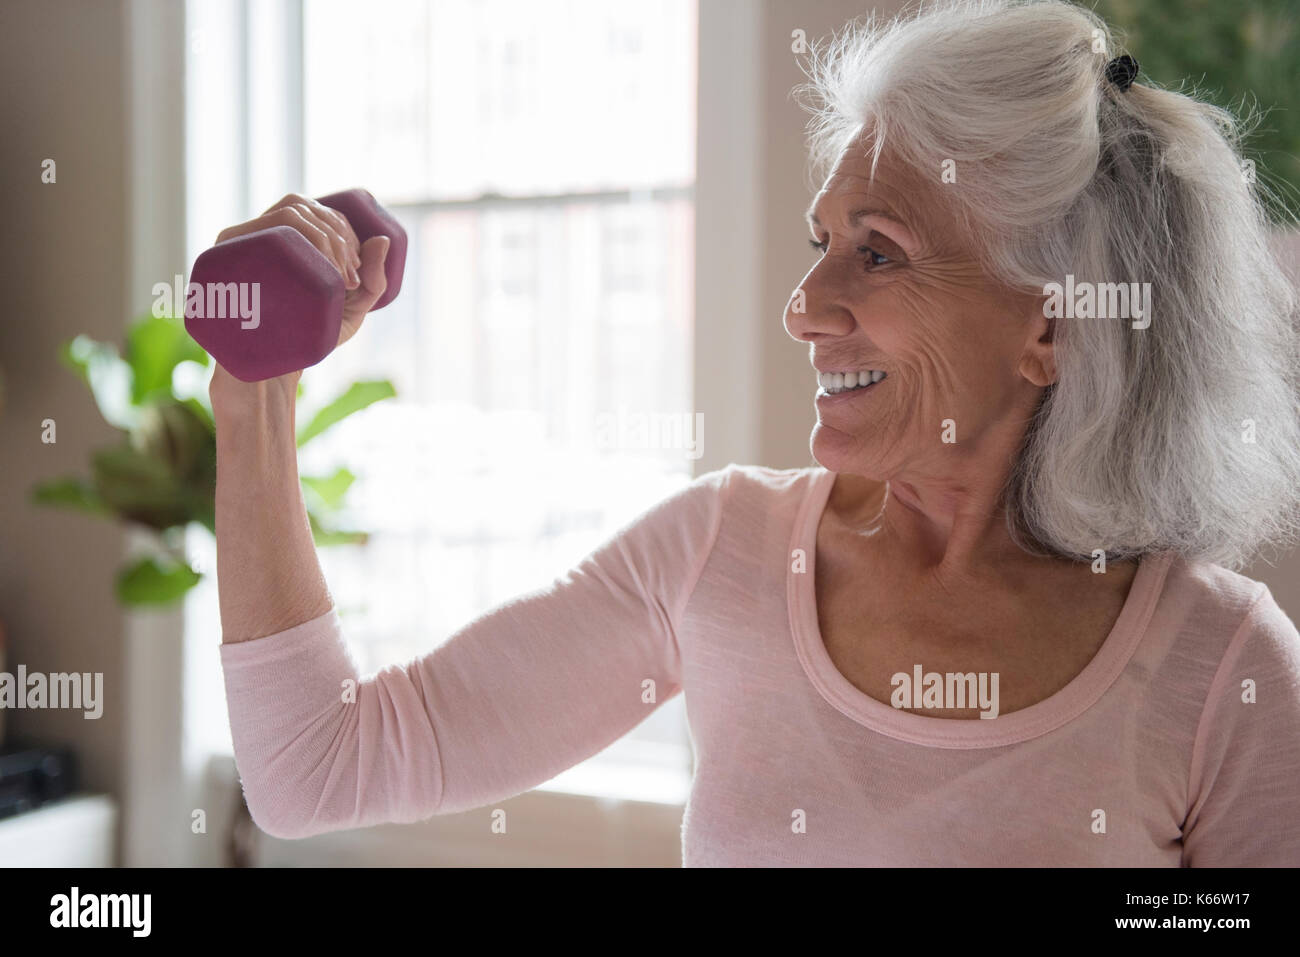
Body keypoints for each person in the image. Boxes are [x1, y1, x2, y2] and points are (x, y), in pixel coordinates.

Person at [214, 0, 1300, 865]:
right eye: (820, 240)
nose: (804, 306)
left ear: (1051, 322)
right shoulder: (720, 553)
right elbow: (318, 770)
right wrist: (252, 395)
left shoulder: (1223, 668)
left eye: (877, 253)